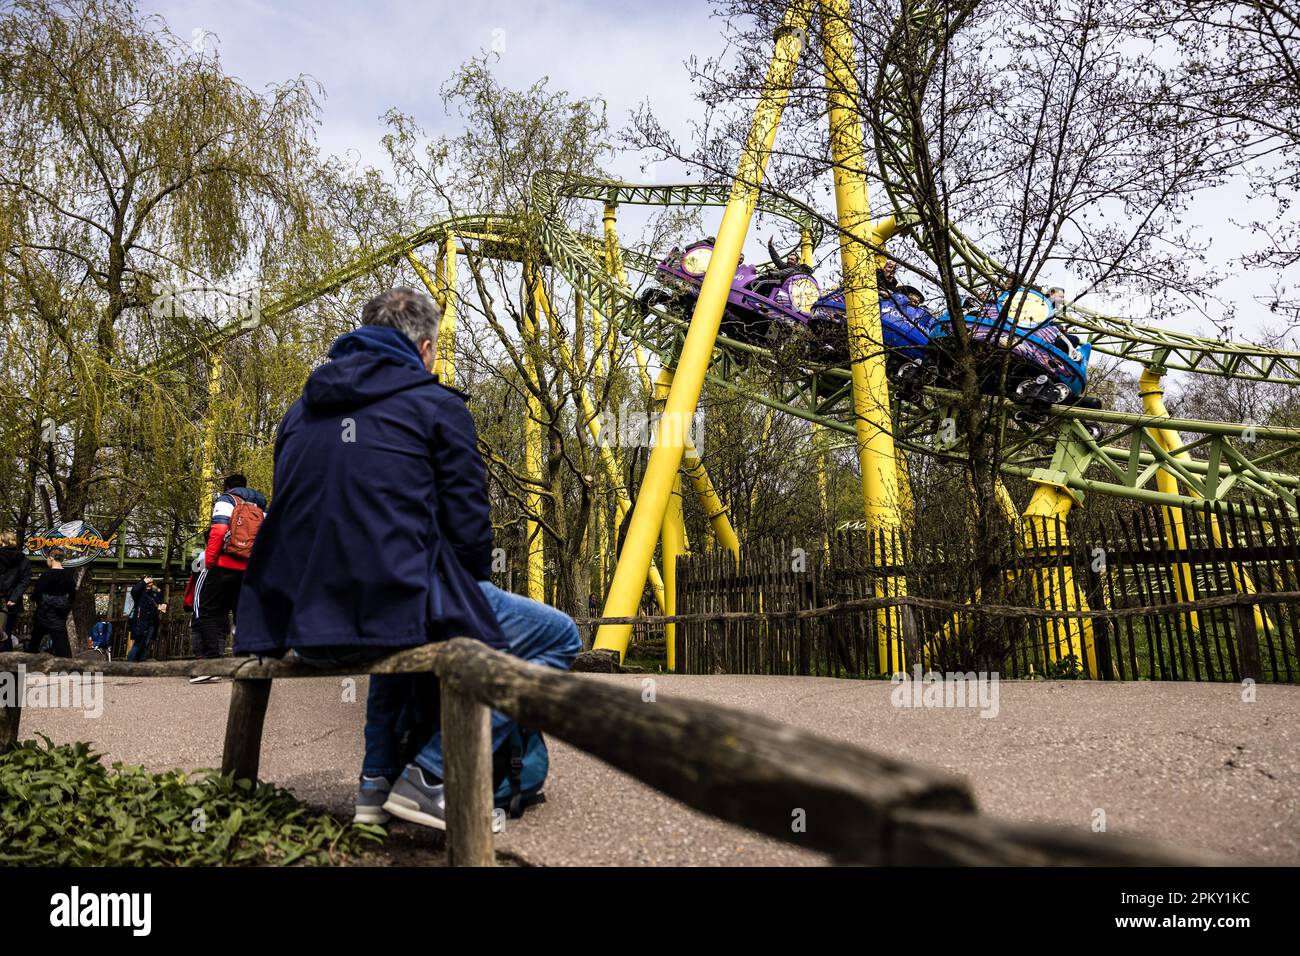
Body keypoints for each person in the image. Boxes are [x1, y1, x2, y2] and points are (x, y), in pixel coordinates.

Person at [236, 287, 581, 829]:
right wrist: (461, 609)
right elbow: (470, 532)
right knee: (557, 635)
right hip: (378, 617)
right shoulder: (438, 406)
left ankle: (375, 788)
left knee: (394, 608)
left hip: (299, 623)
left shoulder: (299, 411)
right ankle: (433, 777)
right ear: (424, 349)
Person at [192, 473, 266, 682]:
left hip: (224, 565)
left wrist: (211, 561)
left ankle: (211, 666)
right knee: (243, 615)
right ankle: (244, 667)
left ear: (227, 487)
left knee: (209, 611)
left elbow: (218, 531)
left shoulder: (227, 500)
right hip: (250, 570)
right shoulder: (261, 505)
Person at [27, 548, 76, 657]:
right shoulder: (68, 576)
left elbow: (36, 595)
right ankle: (66, 670)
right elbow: (72, 596)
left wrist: (43, 602)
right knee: (62, 645)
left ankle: (26, 668)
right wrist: (63, 605)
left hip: (43, 613)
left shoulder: (46, 575)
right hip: (59, 614)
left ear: (51, 558)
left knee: (34, 643)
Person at [0, 531, 31, 651]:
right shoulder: (23, 560)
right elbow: (25, 580)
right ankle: (7, 667)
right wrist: (14, 597)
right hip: (13, 602)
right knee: (7, 633)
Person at [126, 575, 166, 662]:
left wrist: (163, 605)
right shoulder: (139, 593)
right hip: (141, 621)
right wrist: (144, 581)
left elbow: (160, 601)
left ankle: (140, 662)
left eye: (151, 582)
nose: (149, 583)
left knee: (146, 644)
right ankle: (130, 662)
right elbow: (134, 590)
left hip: (151, 623)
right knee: (138, 643)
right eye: (147, 582)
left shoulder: (154, 593)